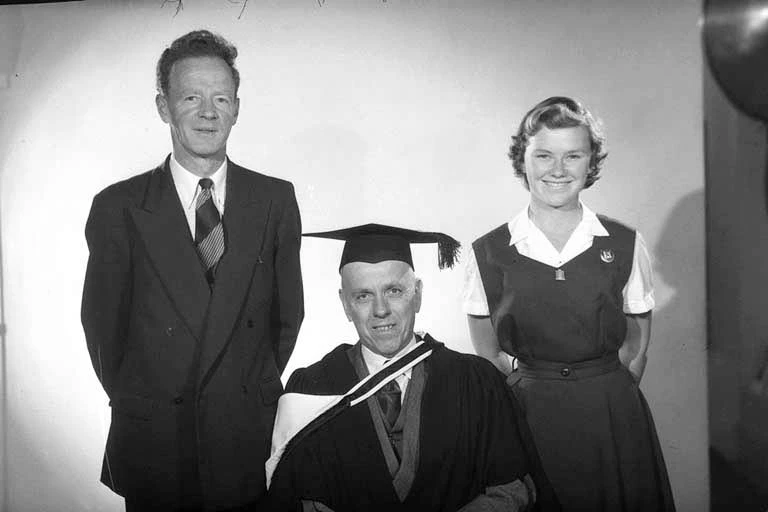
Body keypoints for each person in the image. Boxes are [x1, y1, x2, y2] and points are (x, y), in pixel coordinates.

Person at [80, 30, 304, 511]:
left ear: (237, 108)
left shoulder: (275, 200)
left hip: (246, 438)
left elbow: (288, 320)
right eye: (190, 97)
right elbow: (102, 332)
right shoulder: (118, 207)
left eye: (221, 98)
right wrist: (151, 399)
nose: (208, 112)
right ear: (163, 107)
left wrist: (239, 392)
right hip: (156, 445)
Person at [463, 96, 676, 511]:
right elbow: (487, 351)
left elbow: (636, 347)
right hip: (528, 416)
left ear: (590, 161)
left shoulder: (624, 242)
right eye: (543, 155)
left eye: (572, 156)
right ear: (522, 159)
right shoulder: (488, 251)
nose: (558, 170)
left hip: (611, 417)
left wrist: (606, 399)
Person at [265, 224, 559, 512]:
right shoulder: (311, 391)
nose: (380, 310)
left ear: (417, 294)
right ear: (345, 304)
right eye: (363, 296)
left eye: (393, 291)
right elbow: (296, 499)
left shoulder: (476, 381)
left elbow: (514, 487)